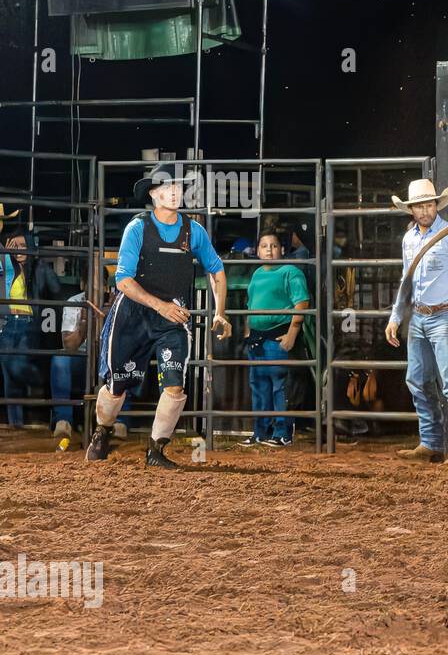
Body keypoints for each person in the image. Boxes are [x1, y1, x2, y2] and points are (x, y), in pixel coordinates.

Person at [85, 164, 230, 468]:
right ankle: (103, 430)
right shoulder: (137, 228)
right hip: (132, 314)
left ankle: (156, 450)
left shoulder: (194, 230)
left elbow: (216, 269)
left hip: (171, 316)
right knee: (117, 384)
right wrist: (159, 305)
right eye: (166, 187)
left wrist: (220, 312)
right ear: (153, 194)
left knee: (174, 384)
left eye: (177, 187)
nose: (174, 192)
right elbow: (123, 280)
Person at [385, 179, 448, 467]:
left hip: (446, 315)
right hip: (418, 315)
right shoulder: (409, 239)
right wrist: (396, 316)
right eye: (419, 205)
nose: (424, 210)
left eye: (429, 204)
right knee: (417, 380)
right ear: (411, 209)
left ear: (436, 205)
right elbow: (407, 279)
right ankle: (431, 442)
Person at [239, 230, 310, 447]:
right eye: (264, 246)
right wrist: (247, 331)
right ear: (258, 250)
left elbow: (302, 304)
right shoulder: (257, 273)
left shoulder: (291, 271)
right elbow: (250, 304)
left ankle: (283, 433)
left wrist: (291, 334)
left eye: (273, 245)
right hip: (257, 339)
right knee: (259, 386)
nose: (269, 250)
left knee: (280, 387)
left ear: (282, 249)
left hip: (278, 337)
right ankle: (260, 432)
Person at [0, 221, 41, 427]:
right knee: (9, 373)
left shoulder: (36, 271)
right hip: (9, 324)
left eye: (22, 246)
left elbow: (52, 285)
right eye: (13, 247)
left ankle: (39, 384)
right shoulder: (9, 269)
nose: (18, 251)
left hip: (28, 324)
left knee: (16, 367)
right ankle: (16, 423)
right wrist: (5, 251)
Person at [50, 275, 89, 441]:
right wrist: (84, 323)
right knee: (61, 359)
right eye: (91, 279)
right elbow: (69, 346)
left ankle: (118, 422)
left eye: (101, 281)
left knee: (124, 359)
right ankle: (63, 420)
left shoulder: (115, 301)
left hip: (107, 359)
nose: (96, 285)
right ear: (83, 282)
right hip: (80, 358)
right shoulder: (74, 302)